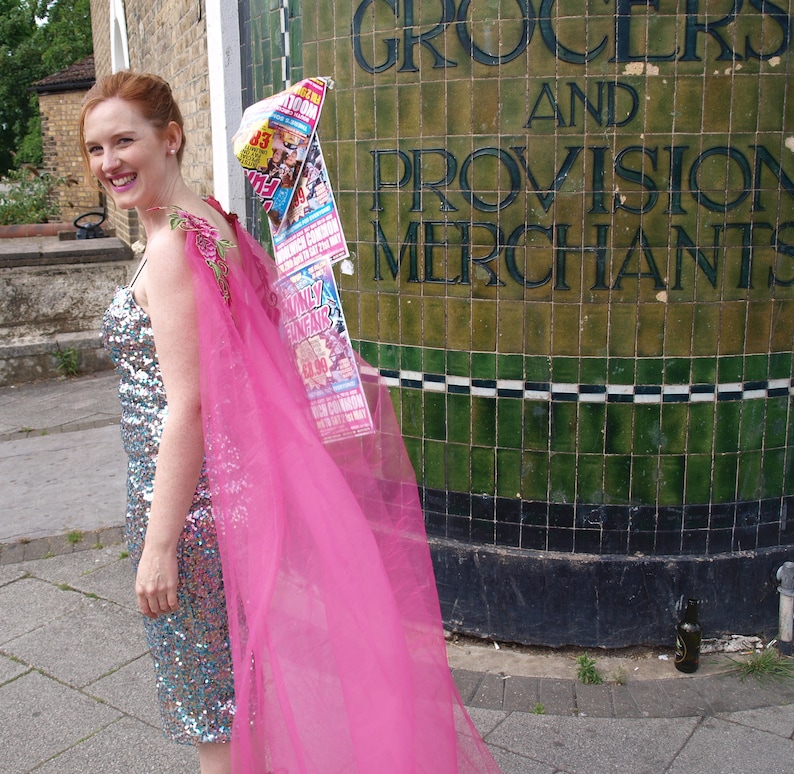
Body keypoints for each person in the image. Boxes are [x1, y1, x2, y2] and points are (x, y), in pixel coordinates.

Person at [82, 71, 502, 774]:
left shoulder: (173, 244)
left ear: (170, 137)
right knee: (240, 701)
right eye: (95, 149)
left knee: (212, 715)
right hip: (227, 497)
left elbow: (188, 405)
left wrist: (159, 545)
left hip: (189, 509)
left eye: (124, 141)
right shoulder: (214, 220)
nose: (108, 162)